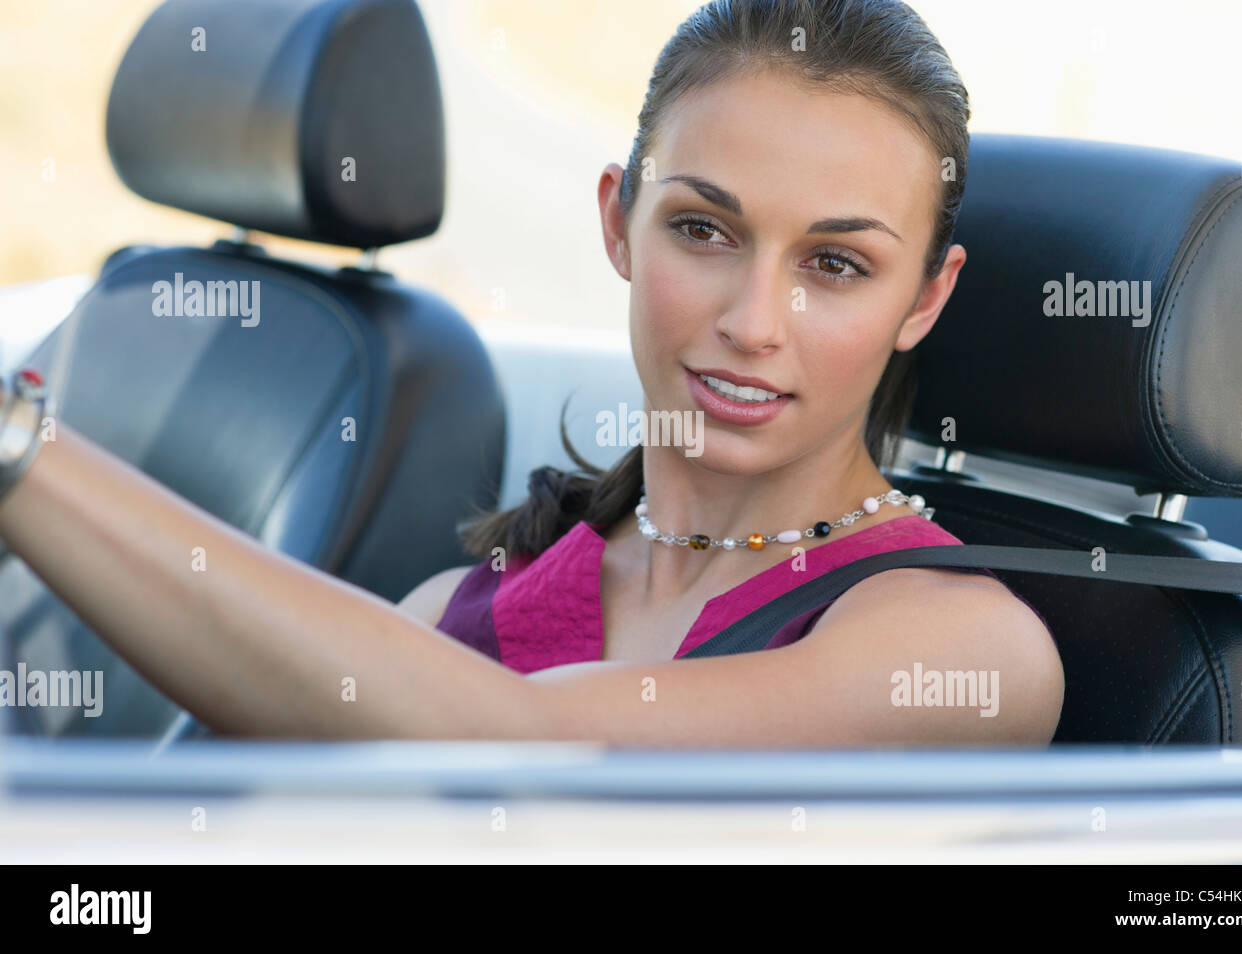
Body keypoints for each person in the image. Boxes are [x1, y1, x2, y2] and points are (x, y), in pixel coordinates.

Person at [0, 0, 1063, 746]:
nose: (751, 322)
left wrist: (19, 453)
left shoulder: (965, 652)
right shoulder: (468, 602)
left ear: (922, 299)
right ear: (618, 223)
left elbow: (519, 752)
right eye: (702, 229)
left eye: (834, 266)